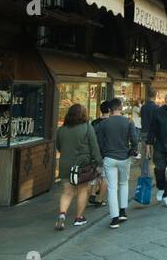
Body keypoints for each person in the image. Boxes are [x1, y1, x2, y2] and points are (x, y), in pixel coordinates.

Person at [95, 97, 140, 229]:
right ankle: (123, 211)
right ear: (120, 108)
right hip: (124, 157)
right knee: (123, 183)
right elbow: (135, 140)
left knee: (112, 188)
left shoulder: (102, 124)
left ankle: (114, 218)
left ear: (109, 109)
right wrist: (131, 151)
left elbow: (99, 142)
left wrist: (103, 155)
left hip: (109, 157)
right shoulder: (128, 122)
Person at [55, 102, 101, 229]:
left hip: (65, 164)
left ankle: (62, 215)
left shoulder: (61, 129)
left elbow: (58, 146)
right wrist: (99, 162)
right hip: (82, 165)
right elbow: (94, 147)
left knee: (67, 192)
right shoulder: (87, 127)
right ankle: (79, 218)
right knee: (82, 190)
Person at [88, 99, 112, 207]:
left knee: (95, 175)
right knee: (105, 177)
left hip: (94, 152)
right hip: (106, 153)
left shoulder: (93, 122)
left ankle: (92, 194)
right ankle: (100, 200)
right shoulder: (110, 123)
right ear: (109, 110)